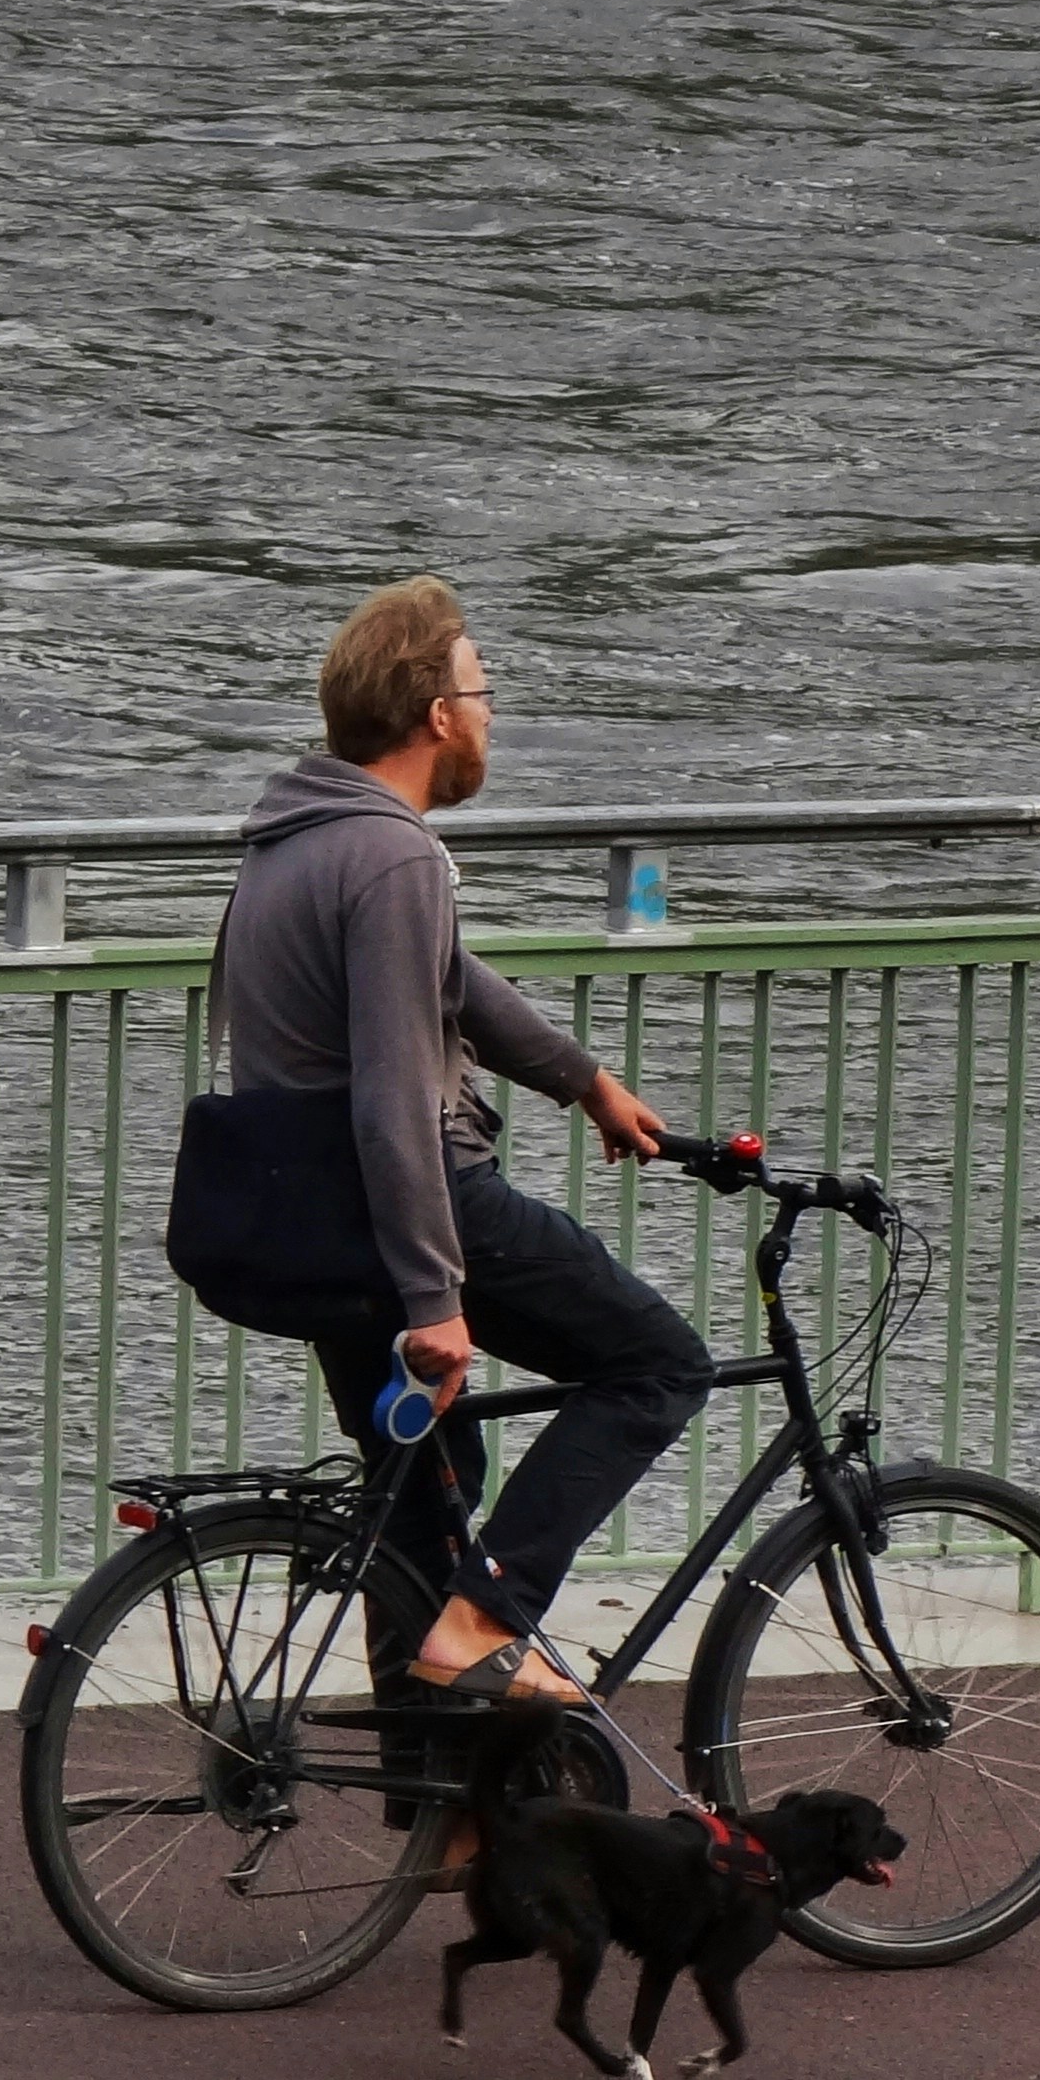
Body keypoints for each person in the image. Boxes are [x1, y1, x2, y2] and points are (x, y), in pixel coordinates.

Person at [214, 577, 713, 1790]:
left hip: (302, 1219)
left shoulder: (295, 842)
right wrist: (437, 1297)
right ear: (436, 713)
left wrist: (583, 1078)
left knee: (421, 1494)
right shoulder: (395, 858)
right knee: (658, 1364)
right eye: (483, 690)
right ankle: (485, 1625)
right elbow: (395, 1086)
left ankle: (443, 1815)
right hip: (413, 1200)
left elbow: (452, 983)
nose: (492, 714)